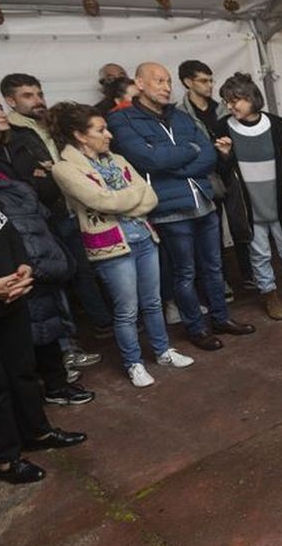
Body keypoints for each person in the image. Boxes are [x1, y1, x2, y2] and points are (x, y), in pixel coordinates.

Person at [0, 131, 87, 484]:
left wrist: (22, 264)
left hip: (10, 293)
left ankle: (38, 432)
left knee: (22, 371)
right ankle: (5, 458)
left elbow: (3, 224)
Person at [0, 98, 98, 401]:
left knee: (46, 317)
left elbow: (45, 190)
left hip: (34, 250)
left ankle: (55, 382)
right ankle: (49, 387)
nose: (1, 114)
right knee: (21, 339)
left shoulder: (14, 148)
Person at [108, 62, 256, 351]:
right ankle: (196, 328)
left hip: (203, 202)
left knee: (214, 267)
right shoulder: (122, 120)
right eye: (159, 81)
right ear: (140, 83)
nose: (166, 87)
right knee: (185, 273)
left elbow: (208, 155)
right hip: (169, 210)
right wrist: (188, 153)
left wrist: (174, 163)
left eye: (168, 81)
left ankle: (221, 318)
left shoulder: (180, 116)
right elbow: (147, 160)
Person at [48, 103, 195, 387]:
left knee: (153, 302)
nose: (109, 135)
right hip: (110, 246)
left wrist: (121, 201)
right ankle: (133, 363)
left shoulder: (117, 159)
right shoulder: (65, 168)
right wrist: (130, 198)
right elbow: (100, 201)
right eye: (100, 130)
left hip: (144, 236)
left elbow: (150, 196)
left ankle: (163, 351)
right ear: (80, 135)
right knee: (127, 310)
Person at [0, 74, 114, 339]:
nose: (38, 100)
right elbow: (27, 177)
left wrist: (53, 171)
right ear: (11, 101)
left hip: (81, 205)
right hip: (51, 212)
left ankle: (112, 316)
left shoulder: (52, 124)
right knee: (77, 271)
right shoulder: (12, 134)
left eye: (39, 94)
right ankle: (102, 323)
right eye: (28, 96)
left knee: (99, 263)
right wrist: (47, 175)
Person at [210, 73, 282, 321]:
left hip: (280, 205)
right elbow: (220, 173)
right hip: (249, 208)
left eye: (234, 100)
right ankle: (269, 296)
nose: (230, 106)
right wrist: (225, 156)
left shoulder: (279, 126)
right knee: (259, 256)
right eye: (226, 101)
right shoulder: (222, 128)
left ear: (251, 98)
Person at [174, 60, 251, 294]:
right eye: (203, 80)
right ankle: (221, 282)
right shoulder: (179, 115)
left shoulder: (223, 109)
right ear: (188, 82)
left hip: (231, 174)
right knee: (211, 233)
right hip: (204, 179)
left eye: (211, 80)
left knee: (241, 225)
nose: (209, 85)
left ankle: (249, 275)